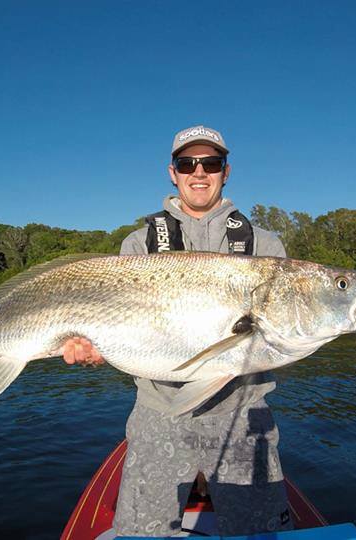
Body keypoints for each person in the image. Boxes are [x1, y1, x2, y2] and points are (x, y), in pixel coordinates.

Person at [63, 125, 293, 537]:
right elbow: (119, 331)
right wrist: (94, 349)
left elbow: (279, 338)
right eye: (188, 163)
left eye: (211, 163)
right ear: (173, 172)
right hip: (159, 416)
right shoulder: (138, 245)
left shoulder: (266, 246)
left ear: (226, 171)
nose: (199, 172)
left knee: (256, 535)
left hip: (241, 417)